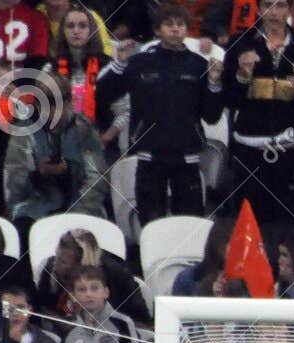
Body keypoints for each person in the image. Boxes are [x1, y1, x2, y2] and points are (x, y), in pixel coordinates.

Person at [95, 4, 224, 222]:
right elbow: (104, 94)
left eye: (180, 24)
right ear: (157, 30)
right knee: (151, 221)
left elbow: (212, 115)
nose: (175, 29)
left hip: (187, 157)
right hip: (149, 155)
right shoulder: (139, 62)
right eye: (169, 24)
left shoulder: (199, 65)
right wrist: (119, 63)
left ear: (187, 29)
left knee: (189, 223)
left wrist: (213, 83)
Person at [217, 0, 294, 223]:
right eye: (268, 5)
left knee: (286, 224)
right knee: (248, 220)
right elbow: (228, 98)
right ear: (257, 8)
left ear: (289, 9)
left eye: (280, 6)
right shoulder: (239, 43)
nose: (274, 12)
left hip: (289, 149)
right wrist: (242, 77)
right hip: (248, 146)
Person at [1, 68, 108, 228]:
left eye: (54, 104)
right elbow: (13, 187)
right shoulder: (23, 132)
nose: (49, 112)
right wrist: (38, 174)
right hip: (35, 210)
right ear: (35, 104)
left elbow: (97, 179)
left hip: (81, 209)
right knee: (24, 228)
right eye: (42, 104)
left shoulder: (83, 129)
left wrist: (75, 214)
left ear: (68, 102)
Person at [58, 266, 140, 343]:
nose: (89, 294)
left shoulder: (123, 323)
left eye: (94, 288)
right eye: (82, 290)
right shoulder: (69, 332)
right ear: (73, 296)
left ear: (106, 292)